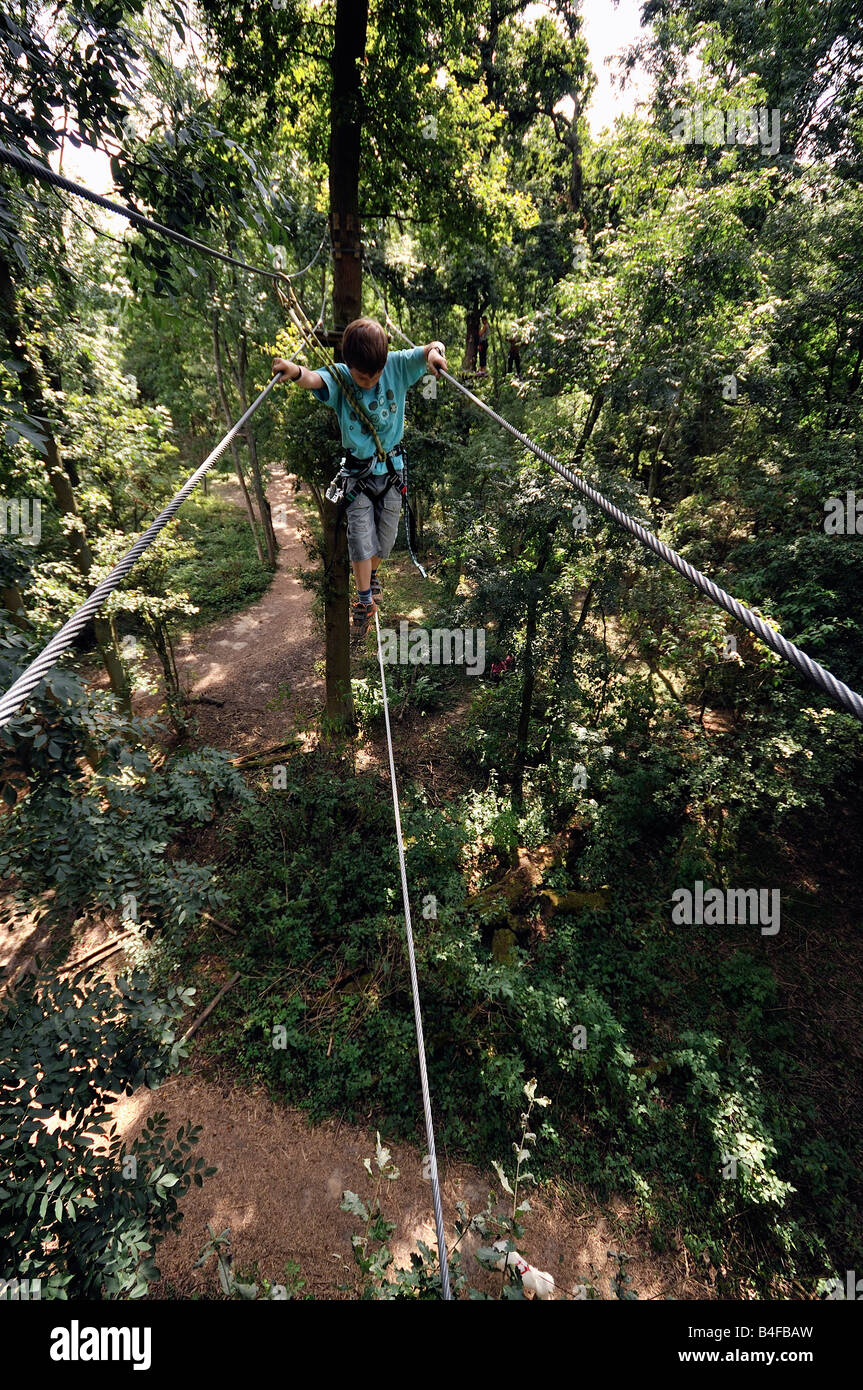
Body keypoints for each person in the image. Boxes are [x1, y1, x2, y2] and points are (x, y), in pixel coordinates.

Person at [273, 319, 447, 637]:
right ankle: (364, 600)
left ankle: (372, 577)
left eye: (375, 375)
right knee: (359, 537)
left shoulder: (394, 365)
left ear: (383, 362)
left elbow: (430, 348)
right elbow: (314, 378)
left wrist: (435, 355)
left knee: (386, 539)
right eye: (361, 376)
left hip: (392, 470)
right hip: (358, 475)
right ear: (348, 365)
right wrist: (295, 372)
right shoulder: (340, 377)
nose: (368, 382)